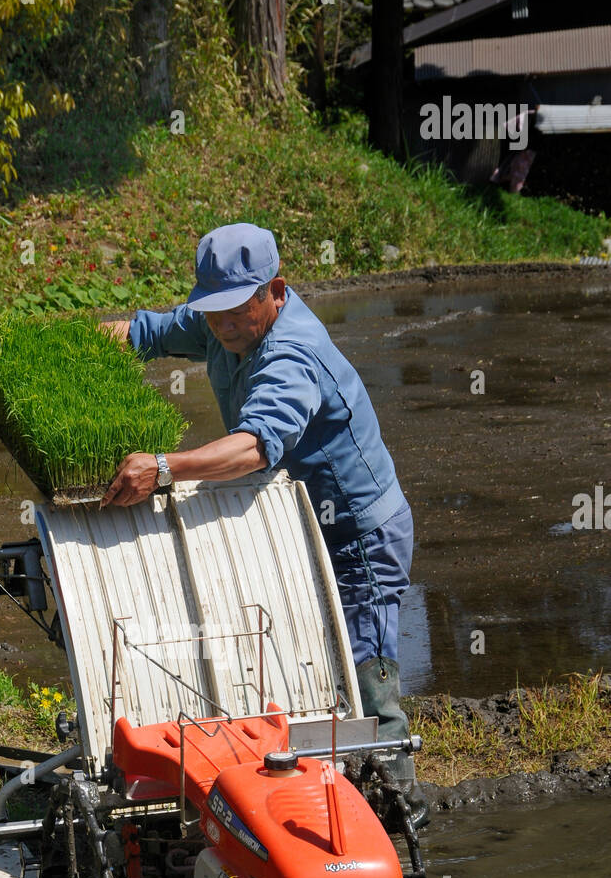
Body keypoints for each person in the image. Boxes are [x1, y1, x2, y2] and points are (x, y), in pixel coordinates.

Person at [99, 222, 427, 824]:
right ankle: (307, 797)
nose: (221, 325)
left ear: (275, 291)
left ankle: (401, 813)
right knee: (305, 661)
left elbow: (255, 447)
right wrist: (91, 343)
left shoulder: (290, 354)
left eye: (234, 310)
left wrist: (164, 469)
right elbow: (153, 331)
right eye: (212, 310)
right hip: (298, 523)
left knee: (364, 677)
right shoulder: (226, 324)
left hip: (358, 533)